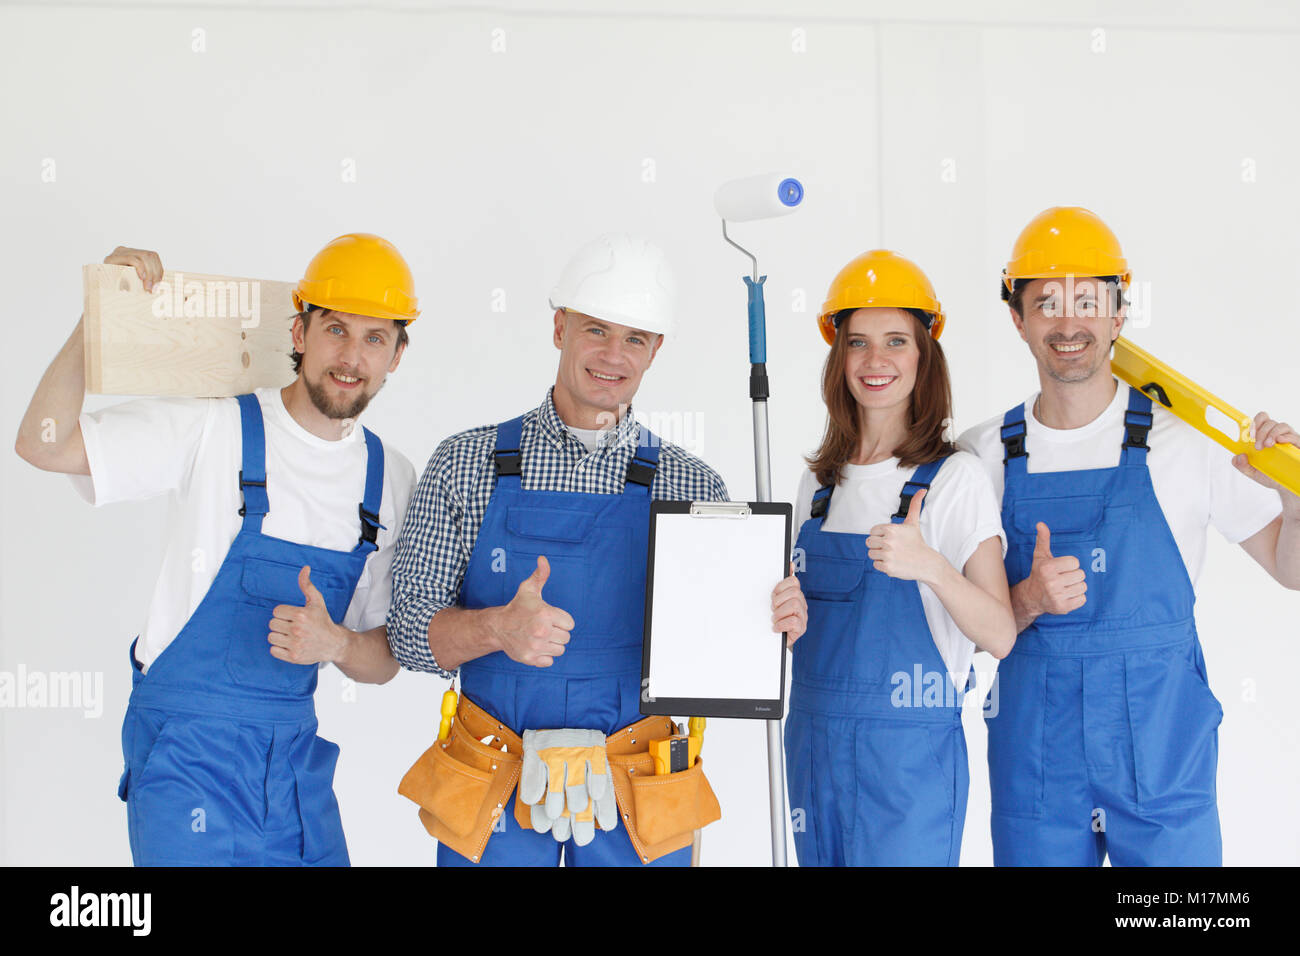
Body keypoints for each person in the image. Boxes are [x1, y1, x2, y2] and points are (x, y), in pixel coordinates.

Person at [388, 233, 807, 866]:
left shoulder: (691, 486)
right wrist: (497, 628)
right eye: (596, 330)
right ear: (559, 328)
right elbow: (408, 636)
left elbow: (723, 653)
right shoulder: (466, 464)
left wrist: (769, 624)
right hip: (496, 777)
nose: (614, 355)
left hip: (637, 784)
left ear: (656, 350)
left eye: (635, 338)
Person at [14, 234, 419, 865]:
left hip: (292, 766)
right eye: (335, 329)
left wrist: (336, 643)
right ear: (298, 332)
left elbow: (384, 660)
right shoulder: (214, 428)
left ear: (397, 354)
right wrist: (96, 317)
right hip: (187, 758)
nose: (351, 356)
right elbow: (43, 443)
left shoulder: (388, 478)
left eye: (375, 338)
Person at [959, 206, 1300, 866]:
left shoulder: (1188, 443)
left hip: (1163, 751)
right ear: (1018, 319)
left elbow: (1292, 570)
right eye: (1047, 302)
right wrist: (1026, 598)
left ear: (1119, 315)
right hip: (1038, 758)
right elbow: (967, 625)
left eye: (1089, 300)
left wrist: (1292, 493)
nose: (1069, 322)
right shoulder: (983, 456)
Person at [786, 250, 1014, 866]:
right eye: (858, 343)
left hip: (908, 763)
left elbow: (1000, 634)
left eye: (896, 341)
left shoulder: (954, 479)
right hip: (812, 750)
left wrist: (930, 567)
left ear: (923, 356)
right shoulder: (817, 487)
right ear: (839, 357)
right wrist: (780, 617)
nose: (875, 360)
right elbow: (791, 634)